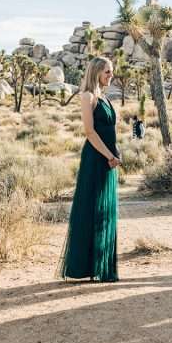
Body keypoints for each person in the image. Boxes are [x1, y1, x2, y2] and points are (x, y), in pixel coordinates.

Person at [58, 56, 120, 282]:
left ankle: (101, 266)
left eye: (111, 71)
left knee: (105, 210)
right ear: (96, 72)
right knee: (91, 208)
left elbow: (109, 130)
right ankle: (86, 267)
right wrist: (109, 155)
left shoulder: (104, 97)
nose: (111, 75)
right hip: (96, 158)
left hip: (109, 159)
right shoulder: (88, 96)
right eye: (107, 71)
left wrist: (115, 153)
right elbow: (90, 132)